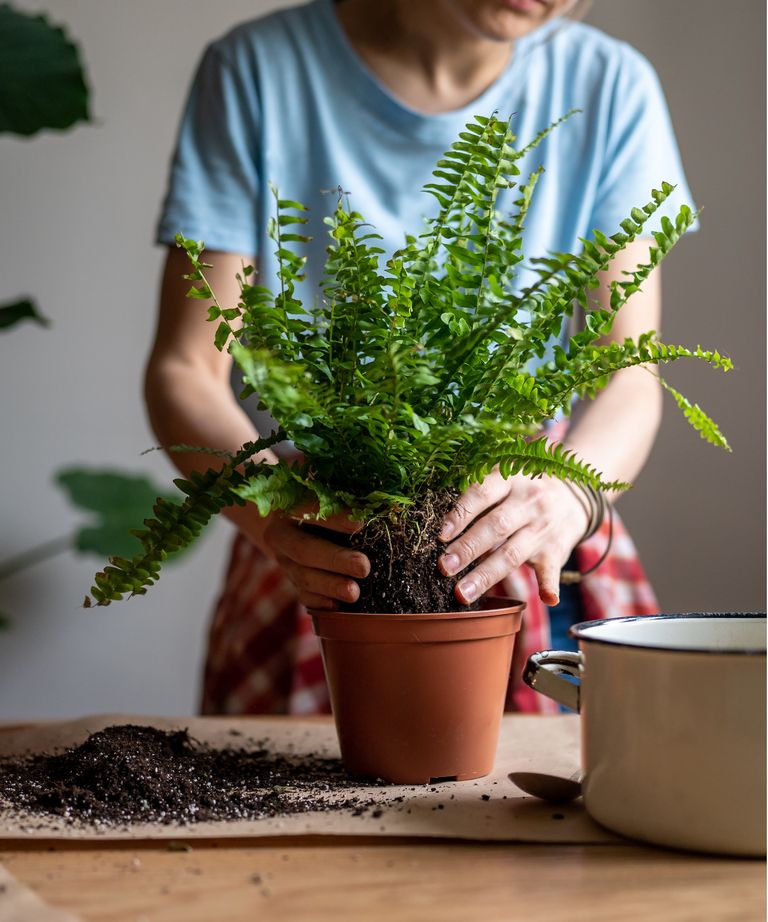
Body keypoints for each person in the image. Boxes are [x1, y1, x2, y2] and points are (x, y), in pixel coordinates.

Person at [148, 0, 694, 715]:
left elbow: (631, 374)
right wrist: (276, 513)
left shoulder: (611, 86)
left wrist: (570, 496)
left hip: (529, 529)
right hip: (324, 537)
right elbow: (184, 368)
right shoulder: (260, 72)